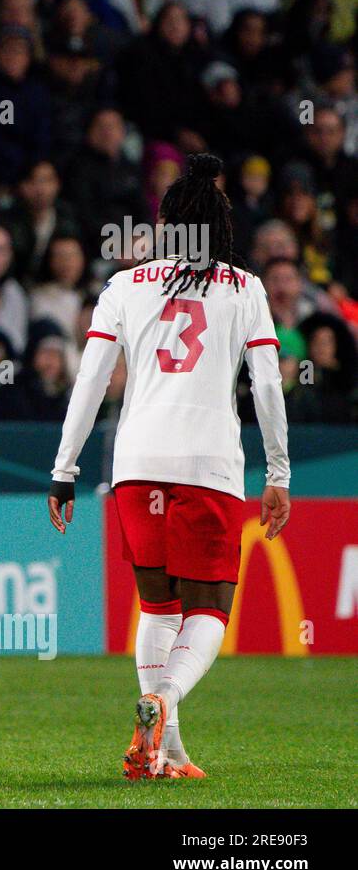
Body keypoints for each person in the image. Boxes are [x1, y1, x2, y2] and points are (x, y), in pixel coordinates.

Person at [48, 154, 291, 780]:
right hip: (207, 463)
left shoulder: (124, 286)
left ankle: (169, 752)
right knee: (208, 605)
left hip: (136, 463)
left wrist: (64, 468)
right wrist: (279, 473)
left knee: (157, 607)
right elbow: (266, 384)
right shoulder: (247, 290)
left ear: (165, 225)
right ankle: (165, 699)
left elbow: (91, 380)